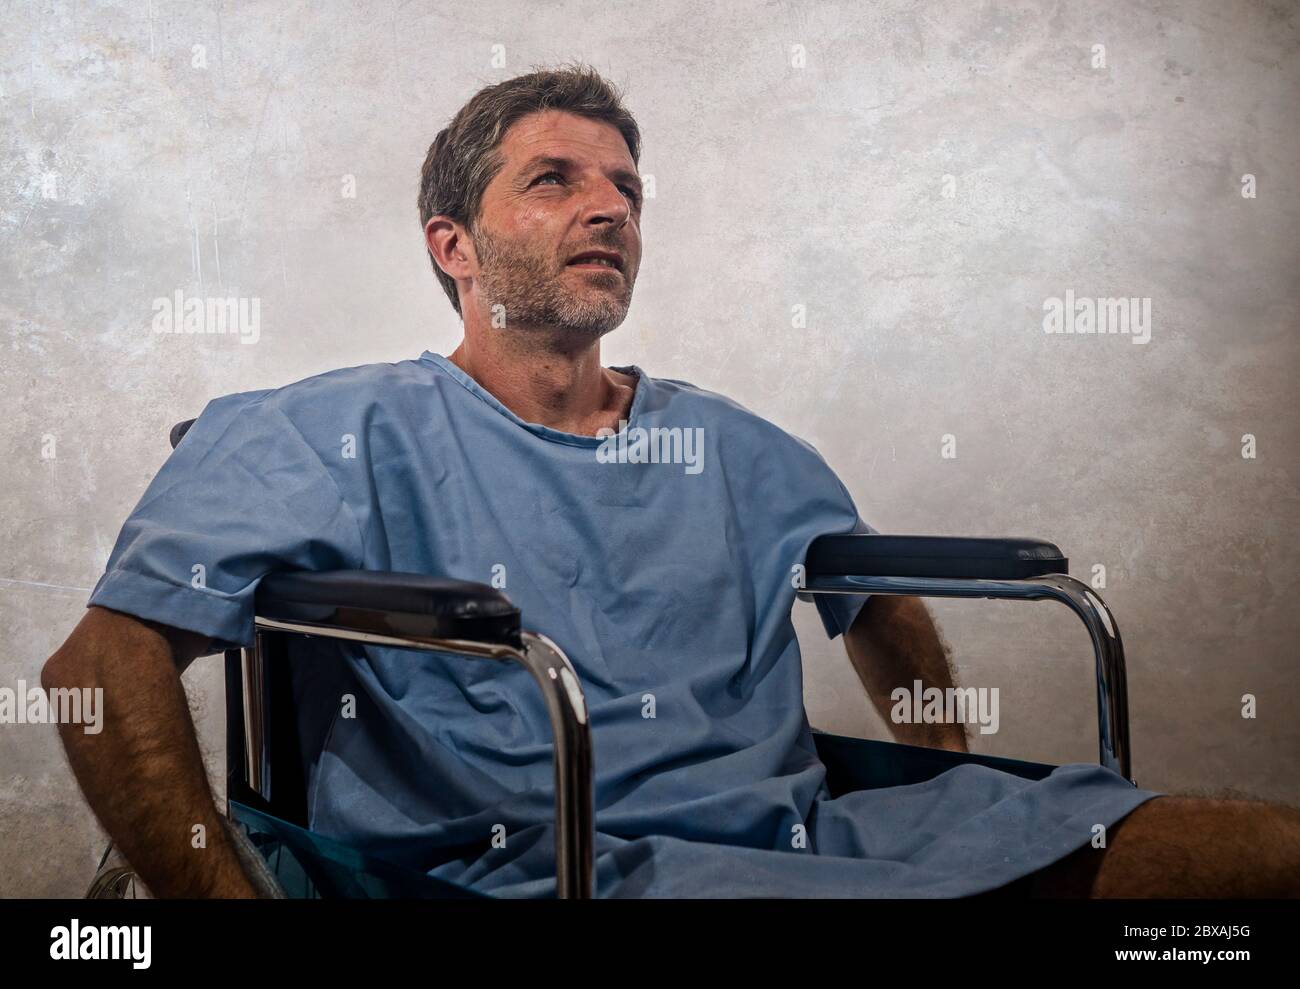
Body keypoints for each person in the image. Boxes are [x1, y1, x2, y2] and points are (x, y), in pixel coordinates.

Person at [44, 63, 1300, 899]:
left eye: (627, 191)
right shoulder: (327, 429)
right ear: (453, 244)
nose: (610, 209)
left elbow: (872, 589)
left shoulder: (734, 444)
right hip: (549, 867)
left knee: (1255, 857)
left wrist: (935, 765)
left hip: (823, 838)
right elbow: (98, 665)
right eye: (557, 180)